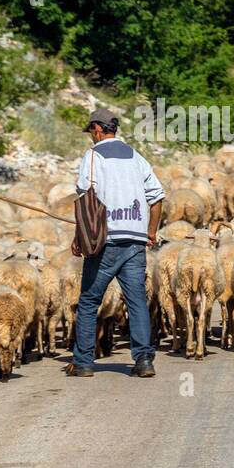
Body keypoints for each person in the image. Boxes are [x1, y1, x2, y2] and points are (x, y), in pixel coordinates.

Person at [66, 108, 164, 378]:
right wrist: (151, 231)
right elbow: (157, 196)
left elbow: (86, 198)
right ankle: (144, 360)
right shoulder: (136, 157)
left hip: (104, 241)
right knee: (136, 302)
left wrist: (79, 237)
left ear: (98, 129)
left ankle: (84, 362)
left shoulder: (94, 157)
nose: (92, 138)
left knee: (88, 301)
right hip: (134, 240)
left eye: (92, 132)